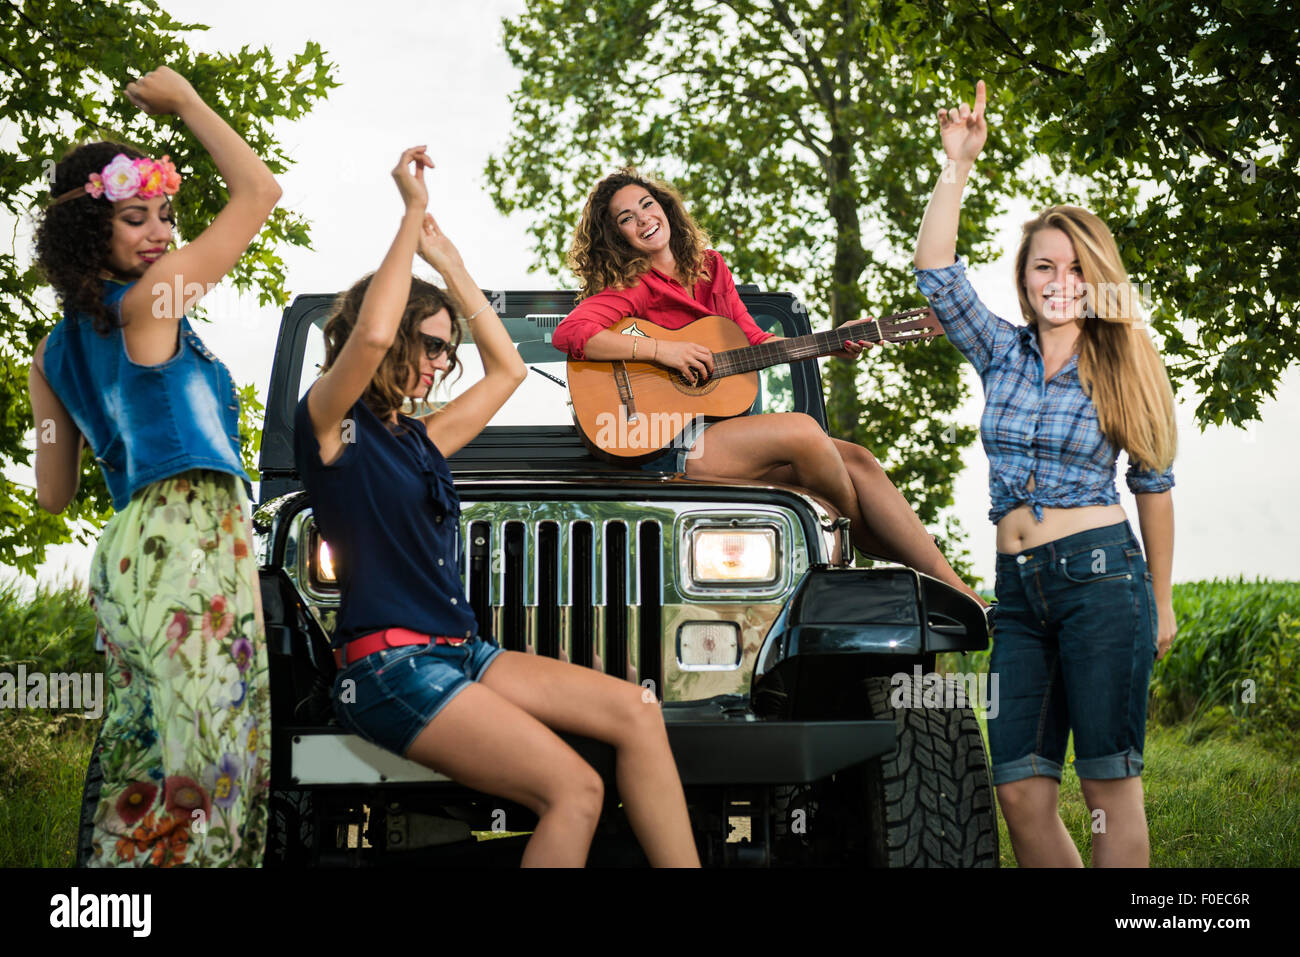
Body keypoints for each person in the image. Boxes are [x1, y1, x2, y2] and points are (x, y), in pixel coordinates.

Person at [295, 147, 700, 867]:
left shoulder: (420, 440)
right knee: (574, 789)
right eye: (430, 344)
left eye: (445, 351)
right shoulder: (332, 421)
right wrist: (411, 212)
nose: (438, 364)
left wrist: (447, 261)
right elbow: (375, 334)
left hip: (461, 652)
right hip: (389, 669)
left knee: (637, 712)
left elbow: (509, 366)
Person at [912, 80, 1178, 867]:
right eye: (1040, 265)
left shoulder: (1124, 360)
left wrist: (1161, 599)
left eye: (1071, 265)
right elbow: (935, 270)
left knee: (1106, 788)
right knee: (1022, 792)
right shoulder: (1002, 352)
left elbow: (1154, 485)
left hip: (1102, 584)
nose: (1056, 279)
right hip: (1018, 592)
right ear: (1024, 277)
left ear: (1094, 274)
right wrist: (955, 164)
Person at [29, 66, 280, 866]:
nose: (161, 235)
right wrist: (191, 105)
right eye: (134, 218)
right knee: (207, 773)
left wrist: (87, 425)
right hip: (190, 540)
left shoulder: (49, 353)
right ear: (88, 233)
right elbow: (259, 193)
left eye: (164, 215)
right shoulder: (157, 301)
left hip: (126, 561)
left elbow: (52, 490)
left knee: (140, 769)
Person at [554, 167, 988, 608]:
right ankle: (854, 545)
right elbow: (571, 334)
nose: (643, 218)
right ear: (616, 234)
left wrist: (830, 343)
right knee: (801, 430)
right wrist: (663, 353)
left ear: (664, 206)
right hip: (668, 443)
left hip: (722, 436)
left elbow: (754, 341)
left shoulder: (709, 267)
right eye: (626, 217)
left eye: (647, 204)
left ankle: (961, 594)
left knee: (859, 460)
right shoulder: (633, 287)